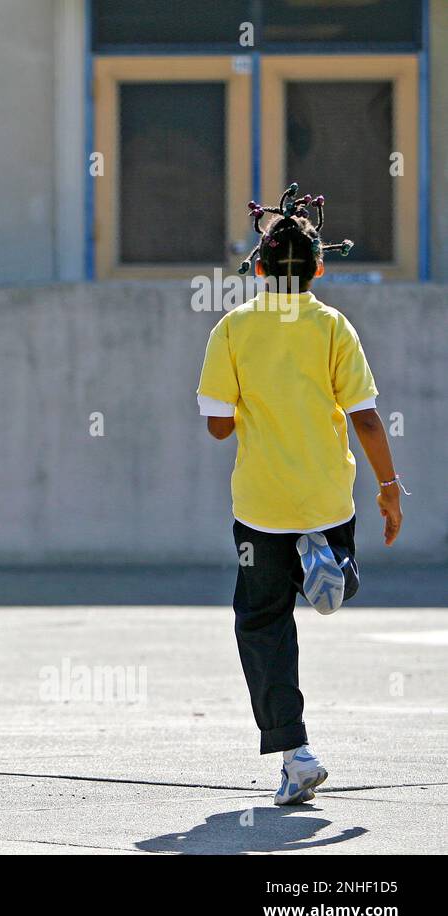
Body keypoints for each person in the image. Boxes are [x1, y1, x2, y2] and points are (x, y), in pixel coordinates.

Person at [198, 184, 406, 805]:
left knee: (261, 623)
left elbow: (217, 425)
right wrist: (390, 489)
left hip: (261, 507)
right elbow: (366, 417)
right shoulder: (334, 327)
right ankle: (334, 567)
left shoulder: (232, 329)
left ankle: (296, 752)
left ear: (259, 268)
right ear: (318, 267)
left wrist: (249, 403)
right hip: (328, 498)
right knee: (325, 554)